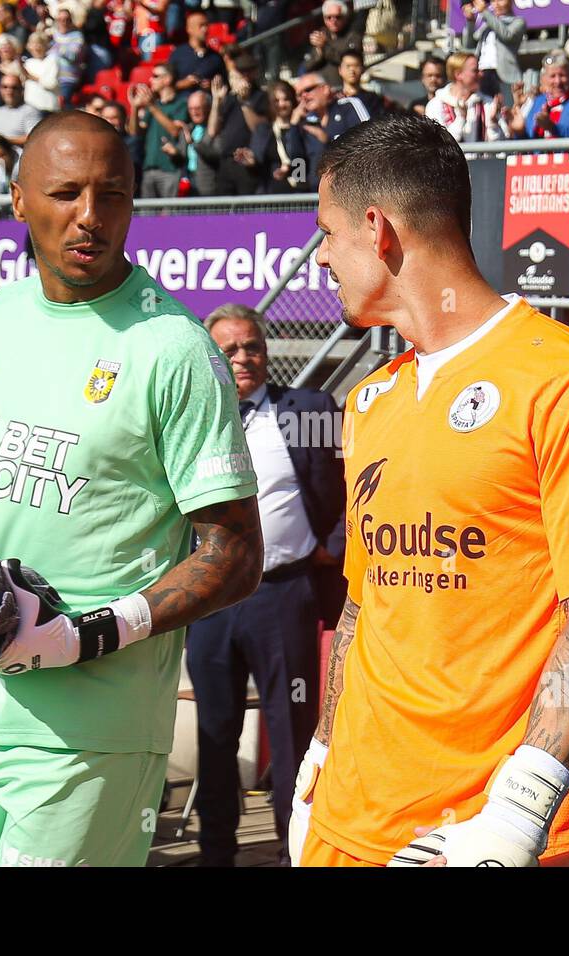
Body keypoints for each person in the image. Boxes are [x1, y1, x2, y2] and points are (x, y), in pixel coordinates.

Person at [0, 109, 263, 868]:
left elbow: (233, 555)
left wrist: (87, 634)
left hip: (90, 744)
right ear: (18, 199)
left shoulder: (175, 350)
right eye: (66, 192)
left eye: (113, 194)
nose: (90, 217)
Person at [292, 113, 569, 867]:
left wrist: (520, 814)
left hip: (485, 836)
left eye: (326, 232)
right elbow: (364, 604)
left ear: (377, 229)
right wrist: (322, 746)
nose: (322, 257)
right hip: (346, 823)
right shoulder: (367, 401)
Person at [190, 305, 345, 867]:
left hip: (284, 596)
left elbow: (352, 484)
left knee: (293, 729)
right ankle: (215, 856)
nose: (243, 358)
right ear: (211, 357)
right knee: (215, 733)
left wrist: (331, 543)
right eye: (229, 350)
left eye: (252, 346)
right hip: (210, 600)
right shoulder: (190, 419)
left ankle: (292, 853)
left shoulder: (309, 410)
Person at [128, 65, 189, 198]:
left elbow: (174, 131)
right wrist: (135, 108)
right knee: (147, 217)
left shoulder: (181, 104)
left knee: (170, 215)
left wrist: (151, 106)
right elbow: (135, 132)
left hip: (170, 169)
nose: (151, 79)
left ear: (167, 79)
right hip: (149, 168)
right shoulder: (155, 106)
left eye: (155, 76)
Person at [214, 53, 269, 195]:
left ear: (255, 72)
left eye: (248, 71)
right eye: (241, 71)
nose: (245, 75)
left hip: (247, 162)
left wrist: (245, 102)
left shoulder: (261, 96)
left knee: (247, 210)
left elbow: (257, 128)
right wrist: (216, 102)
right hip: (226, 160)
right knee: (222, 211)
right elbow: (213, 130)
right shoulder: (230, 98)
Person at [425, 52, 506, 143]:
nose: (481, 74)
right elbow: (441, 145)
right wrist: (461, 118)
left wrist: (493, 123)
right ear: (458, 74)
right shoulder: (435, 105)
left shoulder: (489, 103)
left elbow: (500, 146)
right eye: (475, 71)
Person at [462, 0, 525, 102]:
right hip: (482, 74)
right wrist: (470, 21)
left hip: (503, 76)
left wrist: (484, 12)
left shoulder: (518, 22)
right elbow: (468, 45)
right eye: (493, 1)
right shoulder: (486, 26)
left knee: (505, 110)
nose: (496, 4)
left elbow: (506, 34)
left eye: (500, 0)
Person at [302, 1, 362, 88]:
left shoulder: (353, 35)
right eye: (328, 17)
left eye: (338, 17)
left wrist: (325, 46)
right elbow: (307, 66)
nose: (333, 21)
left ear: (345, 17)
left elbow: (348, 61)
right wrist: (319, 50)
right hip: (322, 89)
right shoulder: (322, 34)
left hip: (342, 87)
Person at [171, 10, 225, 93]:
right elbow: (167, 85)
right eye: (201, 25)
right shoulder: (178, 54)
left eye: (206, 25)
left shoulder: (215, 57)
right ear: (189, 29)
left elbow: (225, 84)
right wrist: (184, 83)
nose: (205, 29)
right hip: (182, 102)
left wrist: (212, 86)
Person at [0, 74, 42, 149]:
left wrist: (6, 141)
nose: (9, 91)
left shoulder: (30, 111)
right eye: (5, 87)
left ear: (22, 90)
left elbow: (34, 138)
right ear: (0, 89)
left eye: (14, 88)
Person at [22, 31, 60, 113]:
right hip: (30, 107)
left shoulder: (52, 60)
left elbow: (52, 83)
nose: (36, 47)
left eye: (39, 44)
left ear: (45, 46)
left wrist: (32, 77)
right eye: (33, 44)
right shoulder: (28, 63)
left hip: (48, 108)